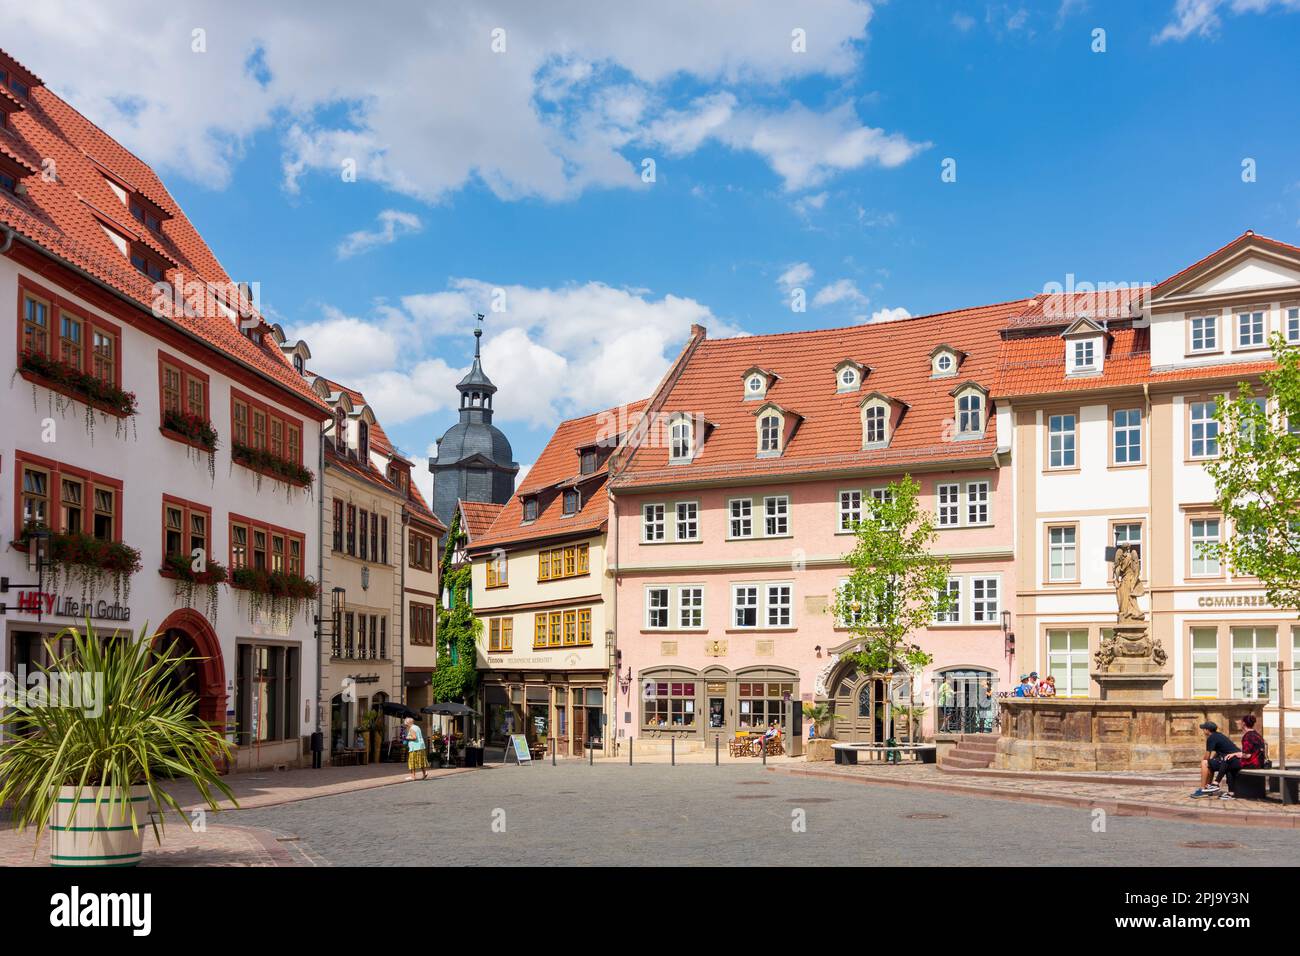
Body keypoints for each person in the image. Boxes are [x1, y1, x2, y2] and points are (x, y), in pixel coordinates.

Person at [1191, 721, 1241, 799]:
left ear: (1207, 730)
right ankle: (1208, 789)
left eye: (1203, 729)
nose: (1203, 731)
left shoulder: (1211, 738)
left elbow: (1207, 755)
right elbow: (1219, 751)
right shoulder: (1219, 735)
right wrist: (1212, 761)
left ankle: (1202, 789)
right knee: (1210, 763)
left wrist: (1204, 763)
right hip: (1236, 759)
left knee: (1204, 763)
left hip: (1231, 760)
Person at [404, 716, 428, 782]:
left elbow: (414, 737)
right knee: (420, 761)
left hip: (415, 748)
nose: (405, 725)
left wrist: (407, 738)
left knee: (412, 762)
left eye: (406, 723)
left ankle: (413, 776)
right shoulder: (417, 727)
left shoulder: (412, 728)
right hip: (421, 747)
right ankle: (425, 773)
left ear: (408, 723)